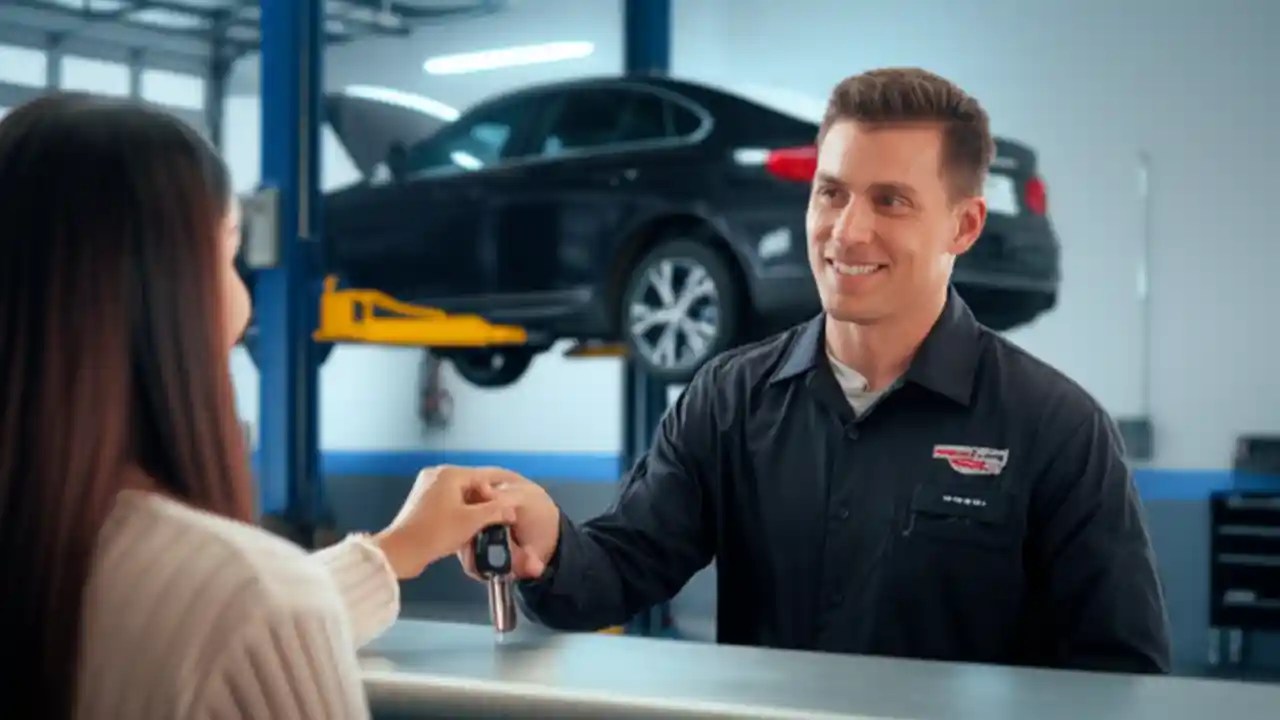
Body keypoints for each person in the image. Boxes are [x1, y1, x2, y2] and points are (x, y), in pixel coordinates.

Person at [452, 67, 1173, 673]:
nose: (846, 230)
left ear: (964, 226)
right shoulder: (729, 401)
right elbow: (618, 571)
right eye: (831, 192)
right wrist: (545, 544)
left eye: (890, 200)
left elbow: (1122, 678)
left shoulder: (1056, 430)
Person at [0, 93, 514, 719]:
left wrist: (391, 551)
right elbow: (234, 619)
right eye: (228, 255)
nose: (245, 307)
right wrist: (289, 596)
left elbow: (214, 623)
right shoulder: (247, 597)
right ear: (167, 298)